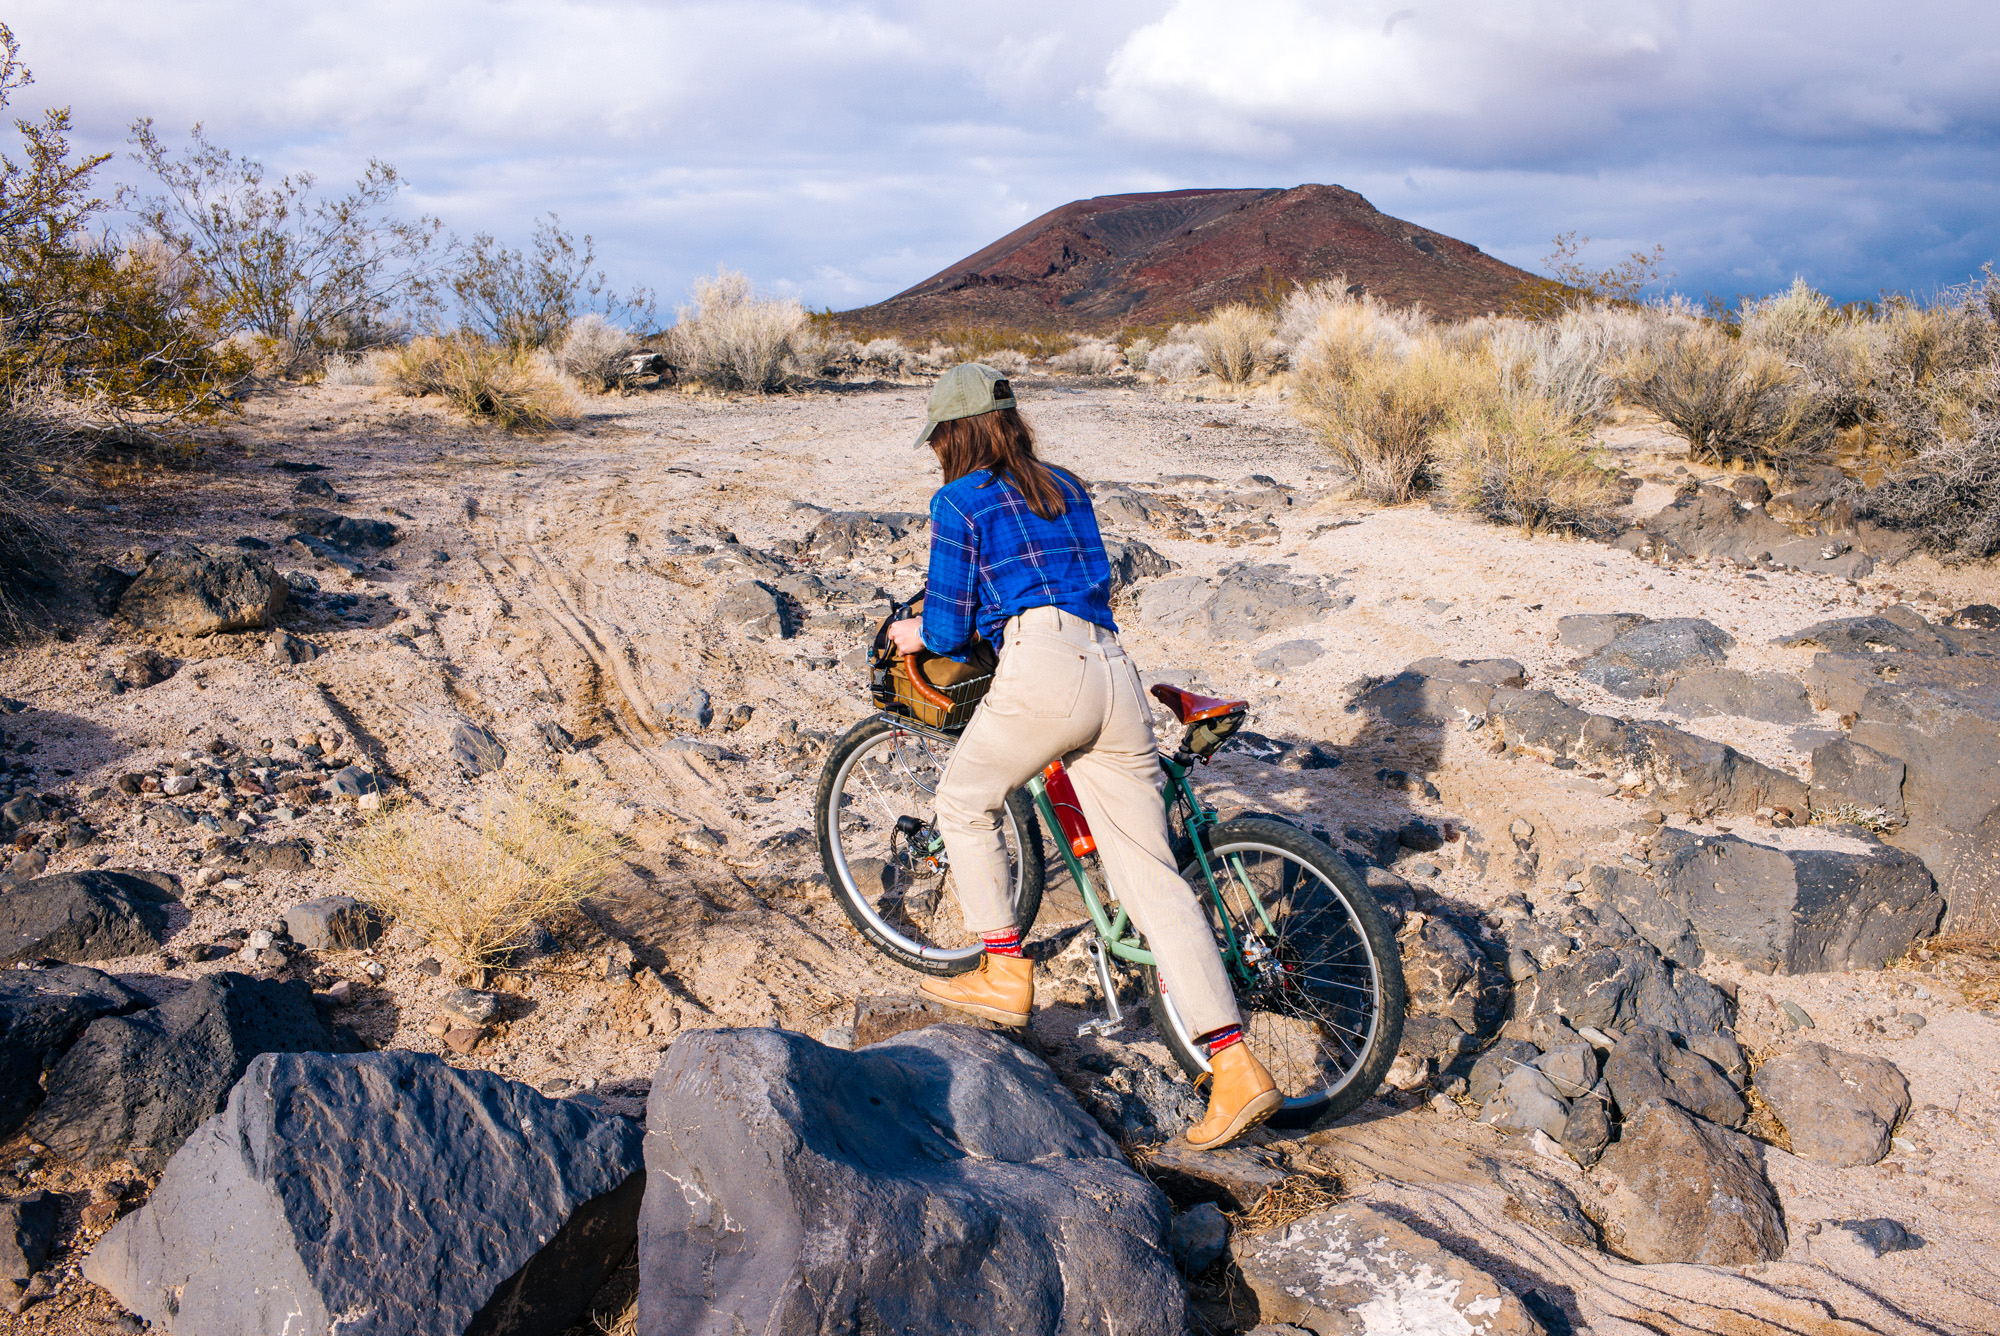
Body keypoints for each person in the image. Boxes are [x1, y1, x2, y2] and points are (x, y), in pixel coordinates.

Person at [885, 361, 1283, 1150]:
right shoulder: (1065, 485)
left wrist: (911, 632)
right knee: (1154, 879)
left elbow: (946, 628)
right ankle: (1236, 1068)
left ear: (955, 434)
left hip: (1043, 669)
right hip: (1115, 672)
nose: (936, 452)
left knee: (963, 803)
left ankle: (1004, 967)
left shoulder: (958, 500)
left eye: (937, 437)